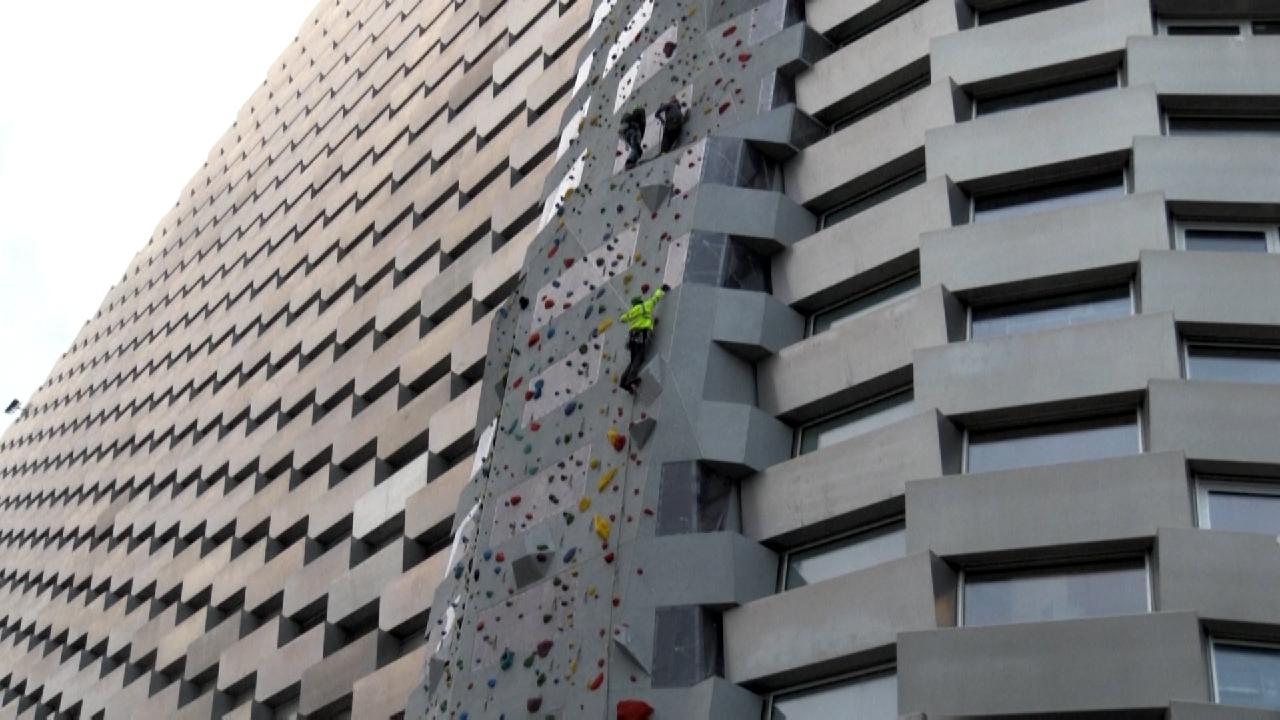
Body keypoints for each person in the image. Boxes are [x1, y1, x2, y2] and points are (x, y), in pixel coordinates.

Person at [618, 285, 669, 393]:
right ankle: (631, 379)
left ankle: (623, 381)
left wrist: (629, 315)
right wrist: (662, 289)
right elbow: (655, 298)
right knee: (640, 357)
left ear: (633, 305)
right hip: (641, 333)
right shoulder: (646, 305)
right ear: (640, 302)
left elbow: (622, 319)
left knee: (634, 359)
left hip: (632, 336)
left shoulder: (632, 312)